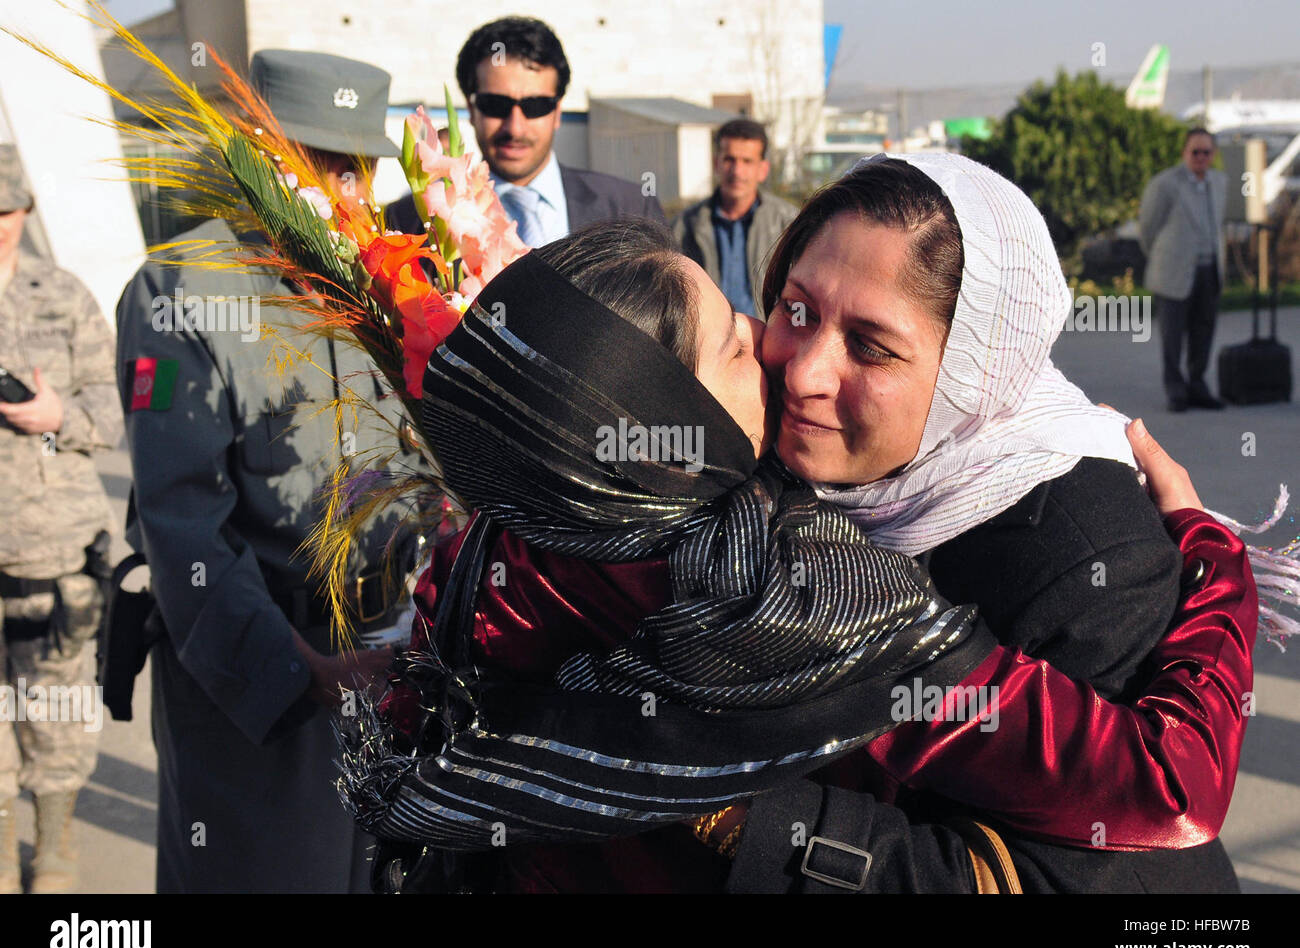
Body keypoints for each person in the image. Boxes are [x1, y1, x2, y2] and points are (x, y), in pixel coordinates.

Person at [338, 220, 1254, 894]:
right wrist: (1216, 557)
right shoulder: (794, 599)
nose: (787, 363)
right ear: (674, 429)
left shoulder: (503, 535)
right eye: (747, 339)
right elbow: (1168, 785)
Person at [743, 152, 1243, 891]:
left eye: (870, 346)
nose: (804, 371)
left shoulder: (1081, 558)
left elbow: (1103, 873)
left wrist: (735, 820)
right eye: (798, 310)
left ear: (973, 375)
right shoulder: (776, 459)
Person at [115, 51, 424, 893]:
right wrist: (306, 676)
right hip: (265, 686)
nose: (339, 190)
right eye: (312, 162)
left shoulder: (385, 283)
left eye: (355, 168)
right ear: (255, 146)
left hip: (393, 674)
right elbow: (183, 528)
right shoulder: (178, 291)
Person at [0, 144, 121, 894]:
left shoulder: (65, 295)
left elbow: (113, 410)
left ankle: (55, 850)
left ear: (25, 210)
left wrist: (56, 415)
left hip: (53, 549)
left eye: (6, 211)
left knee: (57, 709)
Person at [385, 16, 665, 242]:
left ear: (557, 112)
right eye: (495, 104)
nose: (515, 127)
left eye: (535, 106)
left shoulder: (631, 209)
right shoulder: (409, 221)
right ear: (471, 111)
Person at [673, 118, 799, 316]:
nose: (737, 172)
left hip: (768, 342)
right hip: (706, 343)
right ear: (716, 163)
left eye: (747, 161)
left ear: (763, 170)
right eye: (729, 160)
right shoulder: (685, 226)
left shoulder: (789, 223)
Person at [1139, 128, 1227, 412]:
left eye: (1206, 152)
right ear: (1184, 153)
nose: (1201, 157)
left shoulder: (1219, 182)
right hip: (1173, 272)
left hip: (1208, 270)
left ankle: (1198, 384)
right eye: (1195, 152)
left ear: (1212, 155)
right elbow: (1148, 228)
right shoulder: (1165, 184)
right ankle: (1176, 390)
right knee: (1173, 337)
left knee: (1204, 331)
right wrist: (1160, 257)